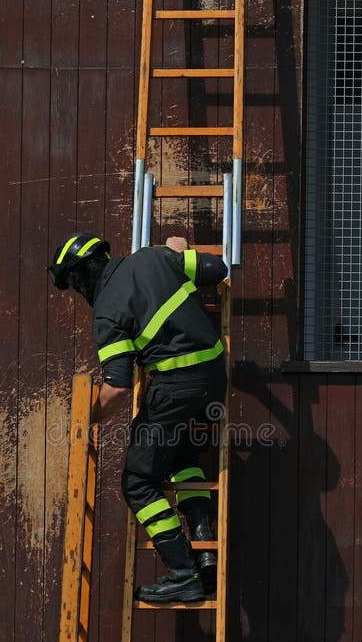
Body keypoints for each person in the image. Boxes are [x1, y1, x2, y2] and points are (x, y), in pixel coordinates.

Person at [48, 231, 228, 603]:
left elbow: (116, 387)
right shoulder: (153, 258)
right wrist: (180, 253)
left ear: (86, 272)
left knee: (137, 482)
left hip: (175, 389)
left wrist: (85, 417)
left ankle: (183, 572)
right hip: (213, 380)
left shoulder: (107, 312)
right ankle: (206, 553)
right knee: (183, 459)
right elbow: (218, 268)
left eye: (75, 281)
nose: (78, 290)